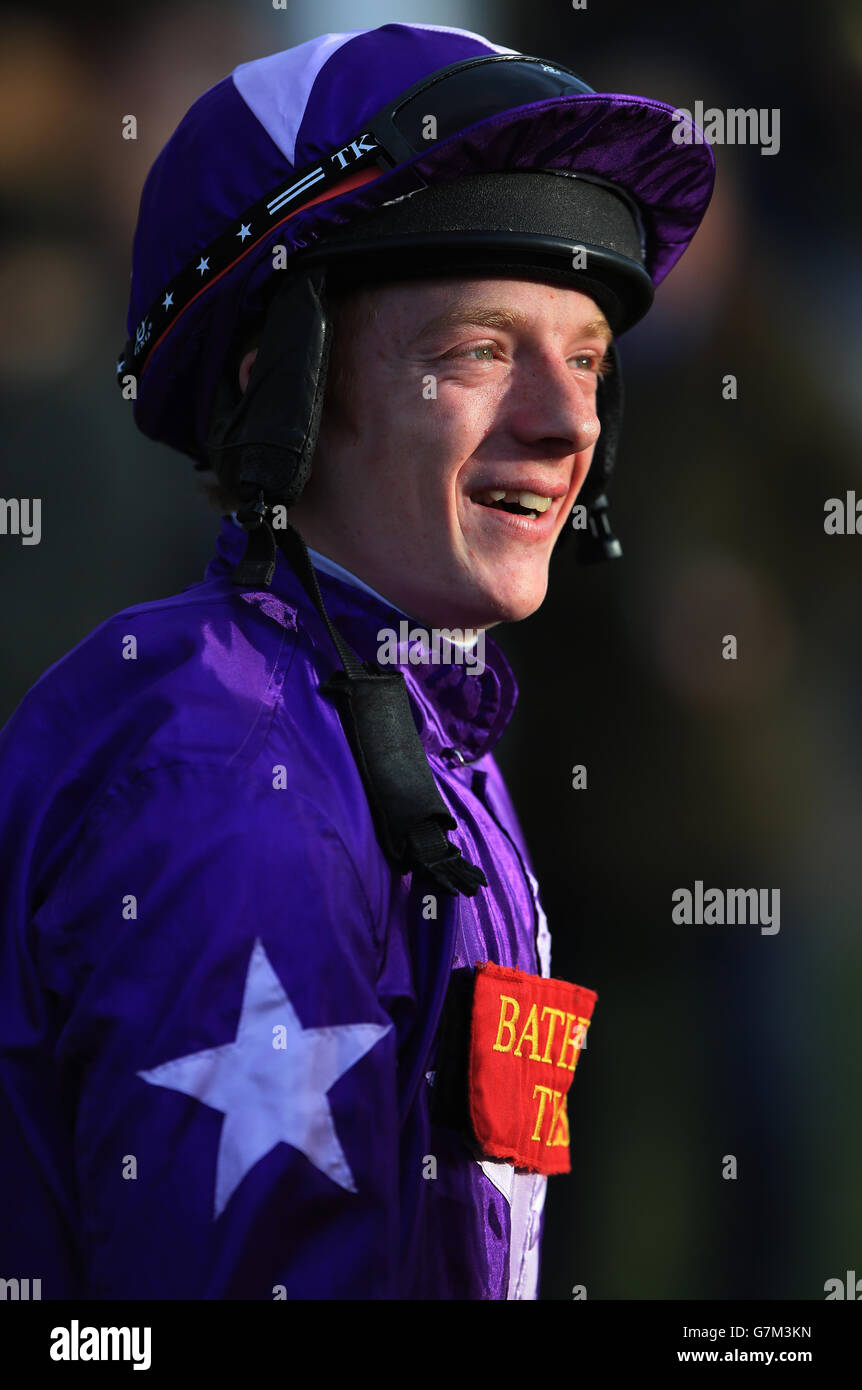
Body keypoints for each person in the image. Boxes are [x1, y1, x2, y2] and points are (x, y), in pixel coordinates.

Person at [0, 22, 713, 1299]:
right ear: (286, 385)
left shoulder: (410, 719)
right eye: (482, 349)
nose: (564, 424)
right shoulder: (234, 785)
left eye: (589, 358)